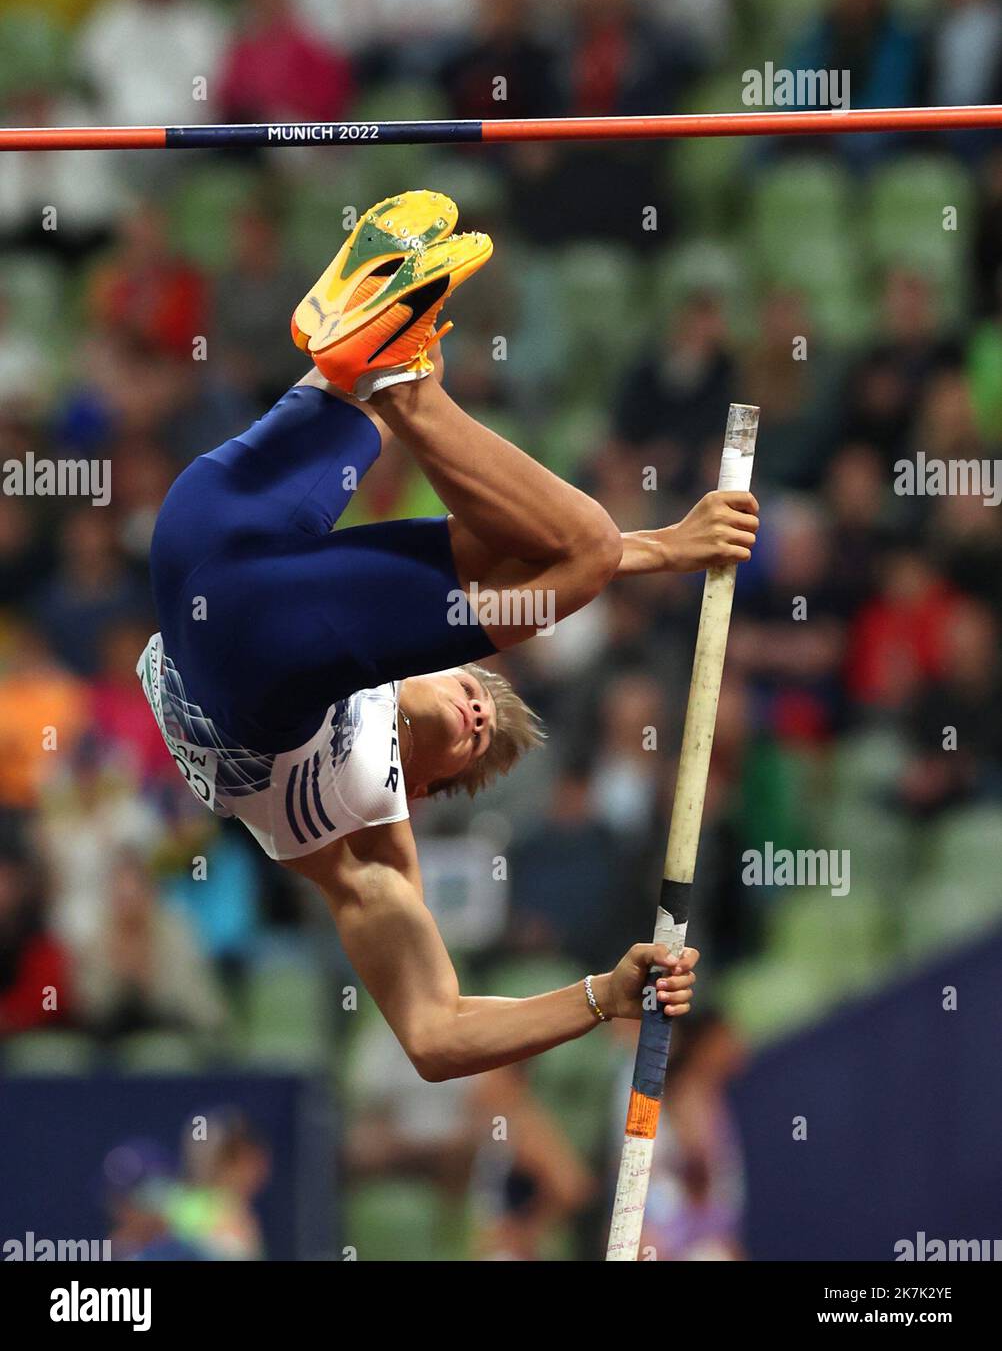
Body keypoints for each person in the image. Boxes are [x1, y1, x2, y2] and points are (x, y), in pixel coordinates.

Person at [138, 191, 761, 1082]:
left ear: (422, 787)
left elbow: (434, 1036)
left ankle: (404, 378)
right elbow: (524, 558)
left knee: (575, 551)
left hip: (242, 640)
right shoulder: (384, 653)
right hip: (217, 534)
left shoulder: (365, 839)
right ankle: (384, 350)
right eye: (475, 692)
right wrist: (666, 546)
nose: (472, 713)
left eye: (471, 739)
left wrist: (602, 996)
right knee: (545, 532)